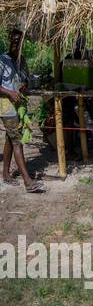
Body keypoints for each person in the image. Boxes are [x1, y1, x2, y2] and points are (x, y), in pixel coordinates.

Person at [1, 28, 43, 193]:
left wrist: (25, 84)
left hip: (18, 107)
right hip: (6, 106)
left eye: (19, 41)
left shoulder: (21, 61)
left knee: (10, 139)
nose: (16, 43)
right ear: (9, 40)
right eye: (13, 40)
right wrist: (10, 92)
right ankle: (27, 181)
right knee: (17, 140)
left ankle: (5, 173)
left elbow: (27, 79)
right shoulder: (2, 60)